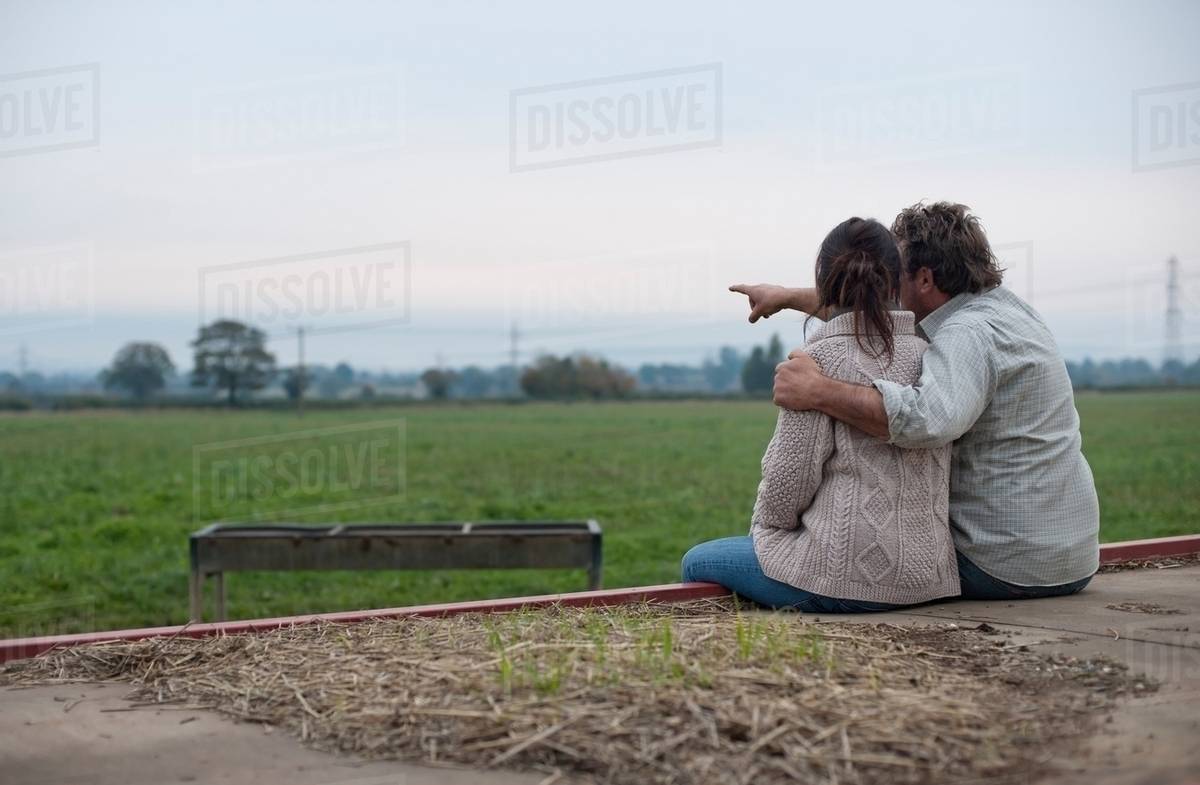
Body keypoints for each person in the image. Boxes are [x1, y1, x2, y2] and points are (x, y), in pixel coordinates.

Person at [732, 202, 1099, 601]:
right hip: (1071, 560)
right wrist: (786, 297)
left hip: (1002, 565)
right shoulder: (1011, 313)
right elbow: (867, 305)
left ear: (924, 279)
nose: (884, 285)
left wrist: (818, 390)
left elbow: (925, 421)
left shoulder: (967, 333)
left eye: (893, 275)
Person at [681, 217, 960, 612]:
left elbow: (787, 483)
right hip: (929, 577)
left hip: (843, 579)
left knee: (698, 561)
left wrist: (767, 537)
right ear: (897, 281)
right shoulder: (931, 354)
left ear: (825, 282)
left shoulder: (817, 361)